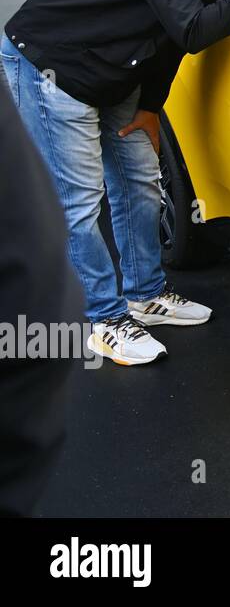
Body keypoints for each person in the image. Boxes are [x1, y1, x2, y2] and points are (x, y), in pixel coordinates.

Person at [2, 0, 230, 366]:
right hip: (54, 66)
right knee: (80, 202)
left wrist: (150, 107)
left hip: (118, 70)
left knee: (138, 183)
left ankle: (144, 295)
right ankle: (104, 321)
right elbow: (193, 30)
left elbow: (169, 37)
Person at [0, 85, 83, 514]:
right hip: (59, 69)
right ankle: (110, 316)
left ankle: (133, 300)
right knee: (79, 198)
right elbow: (35, 301)